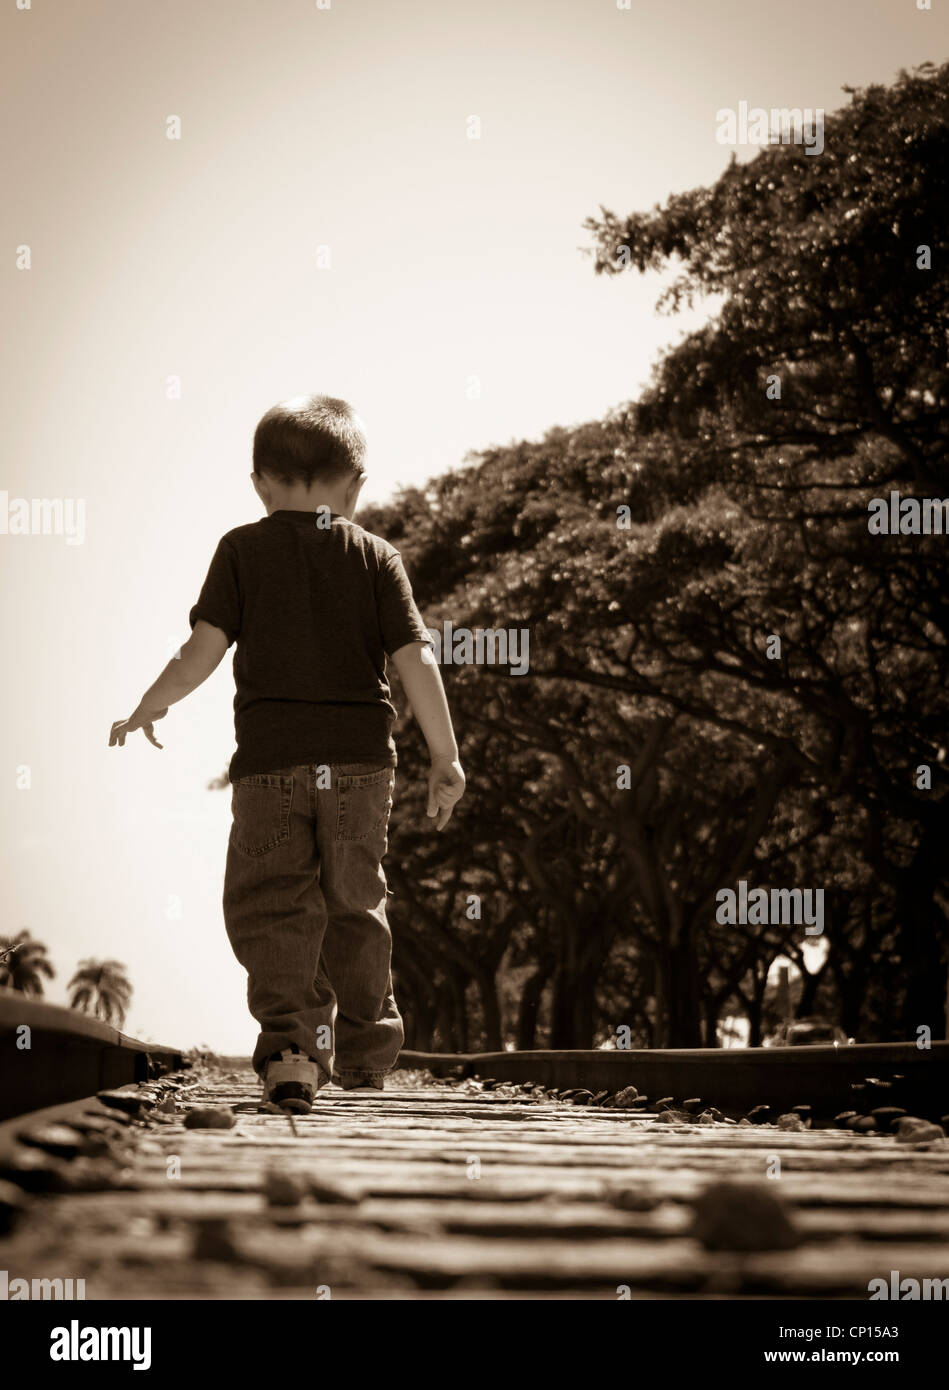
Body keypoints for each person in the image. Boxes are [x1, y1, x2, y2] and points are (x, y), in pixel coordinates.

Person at [110, 394, 465, 1112]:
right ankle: (366, 1052)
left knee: (276, 903)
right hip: (362, 765)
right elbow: (414, 657)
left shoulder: (241, 549)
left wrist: (151, 703)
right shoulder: (375, 556)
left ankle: (294, 1052)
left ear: (259, 482)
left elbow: (199, 650)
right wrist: (445, 756)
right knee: (355, 902)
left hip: (271, 766)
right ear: (355, 485)